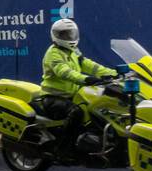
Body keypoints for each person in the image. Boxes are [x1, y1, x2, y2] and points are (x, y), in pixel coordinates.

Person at [36, 18, 118, 154]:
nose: (69, 38)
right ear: (55, 36)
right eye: (65, 35)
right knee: (77, 112)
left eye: (71, 34)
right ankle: (62, 148)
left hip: (71, 96)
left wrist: (113, 73)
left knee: (95, 108)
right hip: (53, 98)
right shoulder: (53, 53)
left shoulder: (73, 51)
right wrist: (86, 79)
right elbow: (65, 72)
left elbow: (89, 65)